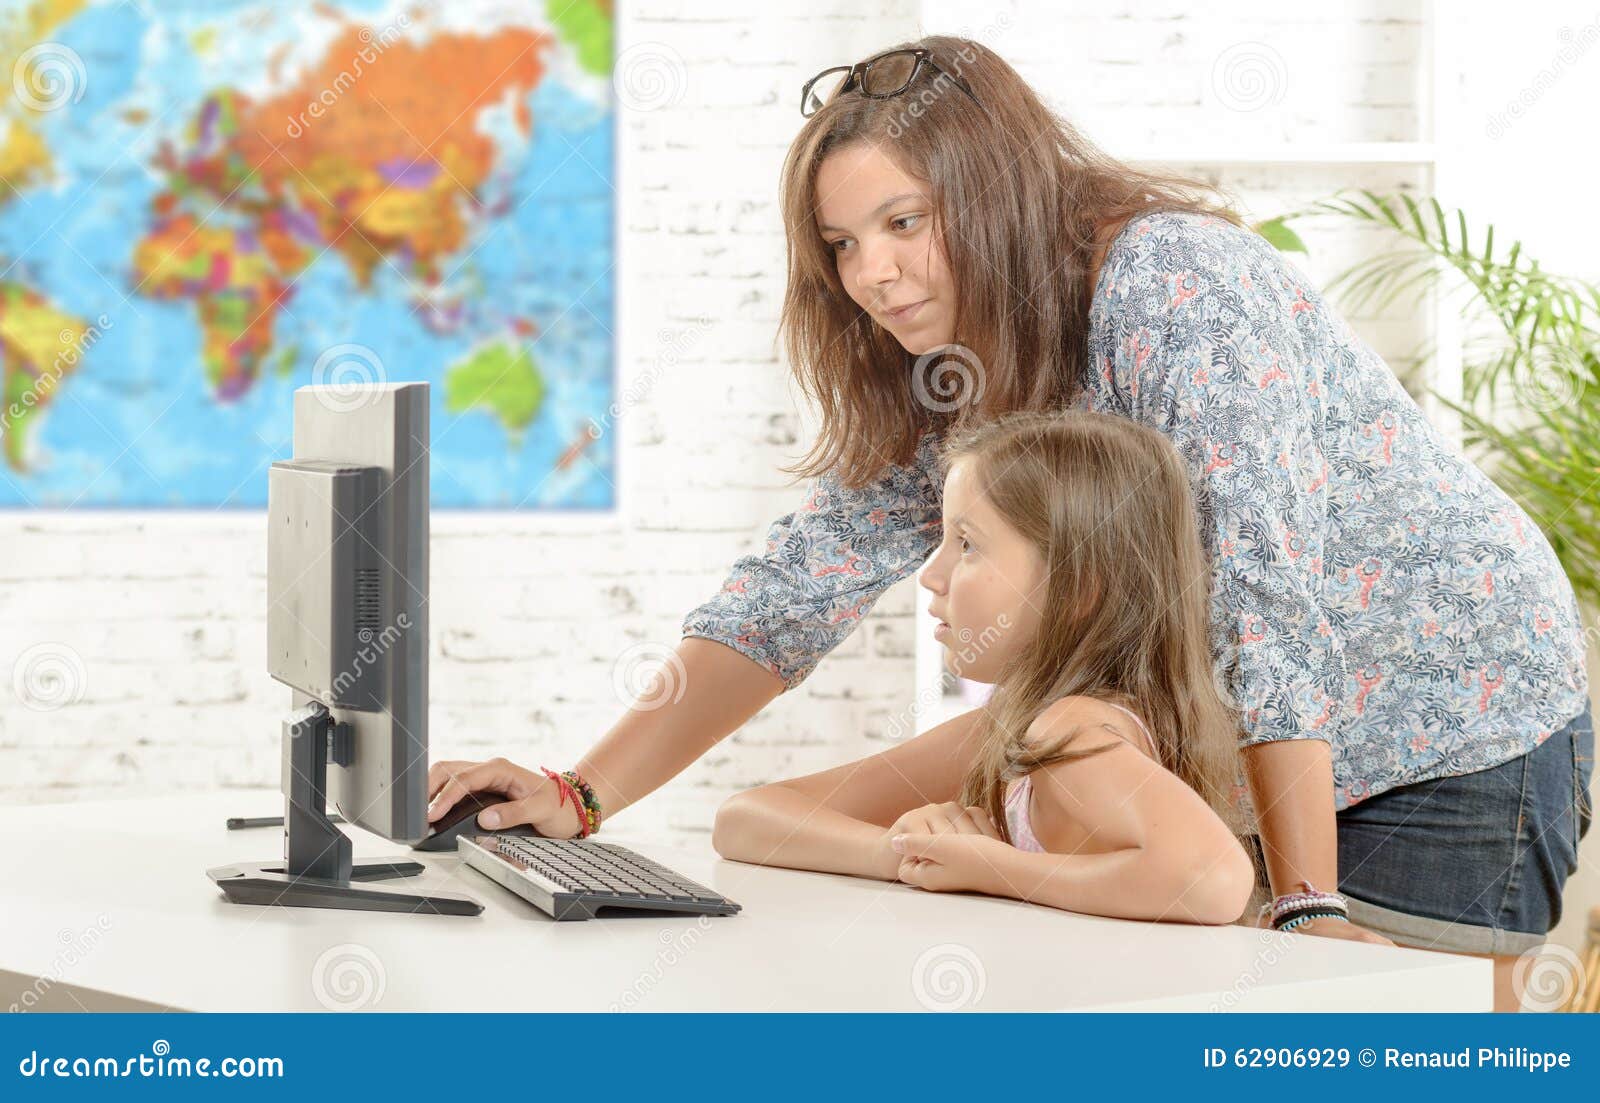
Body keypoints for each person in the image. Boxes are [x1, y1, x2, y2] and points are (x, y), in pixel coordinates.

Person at [427, 36, 1592, 1011]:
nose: (871, 273)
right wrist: (581, 791)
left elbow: (1261, 594)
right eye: (842, 244)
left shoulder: (1175, 286)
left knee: (1378, 1038)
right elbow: (797, 587)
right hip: (1254, 748)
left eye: (902, 221)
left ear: (988, 192)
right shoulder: (955, 360)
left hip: (1456, 716)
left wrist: (1303, 902)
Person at [715, 410, 1258, 926]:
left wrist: (988, 868)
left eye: (967, 544)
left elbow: (1213, 878)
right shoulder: (1014, 728)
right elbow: (743, 819)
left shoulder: (1069, 728)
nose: (932, 575)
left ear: (1077, 589)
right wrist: (903, 851)